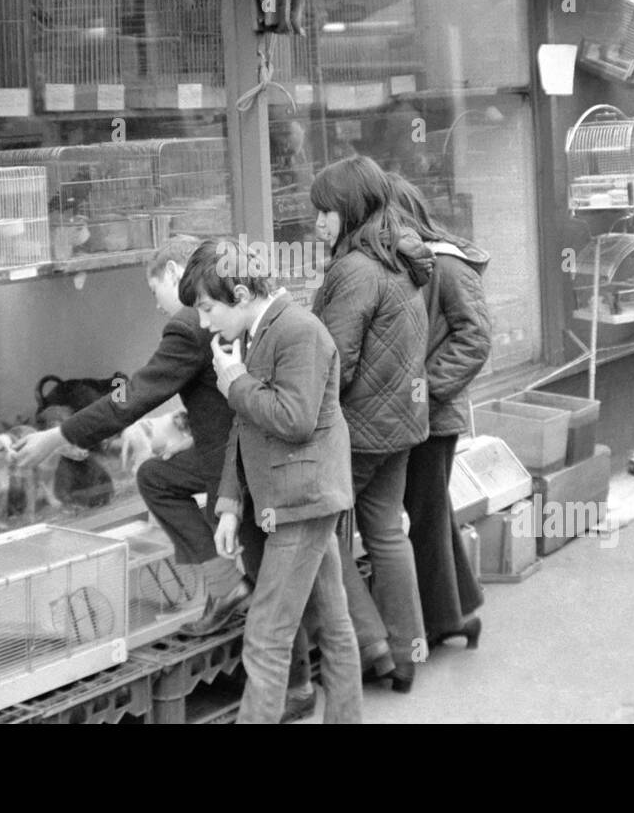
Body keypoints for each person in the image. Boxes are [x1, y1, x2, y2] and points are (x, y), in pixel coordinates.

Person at [12, 236, 253, 635]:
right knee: (156, 476)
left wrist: (57, 436)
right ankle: (226, 585)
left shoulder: (190, 324)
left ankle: (237, 600)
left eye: (154, 288)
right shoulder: (229, 310)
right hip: (238, 449)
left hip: (230, 461)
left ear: (175, 273)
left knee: (279, 581)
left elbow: (131, 397)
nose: (156, 304)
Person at [181, 237, 363, 724]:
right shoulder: (264, 330)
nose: (204, 323)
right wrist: (229, 504)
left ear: (241, 295)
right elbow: (245, 427)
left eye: (208, 309)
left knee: (264, 637)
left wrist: (235, 382)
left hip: (301, 500)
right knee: (334, 623)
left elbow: (296, 420)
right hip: (297, 497)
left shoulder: (298, 330)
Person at [310, 154, 433, 693]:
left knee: (322, 538)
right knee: (386, 533)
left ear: (351, 209)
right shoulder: (399, 259)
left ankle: (370, 644)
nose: (317, 222)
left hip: (357, 431)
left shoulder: (353, 270)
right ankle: (407, 654)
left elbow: (334, 363)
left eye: (326, 211)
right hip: (401, 424)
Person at [388, 174, 491, 650]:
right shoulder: (422, 264)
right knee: (431, 512)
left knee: (423, 515)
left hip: (434, 416)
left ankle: (442, 618)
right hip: (425, 414)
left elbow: (475, 339)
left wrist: (424, 391)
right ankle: (457, 612)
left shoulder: (446, 266)